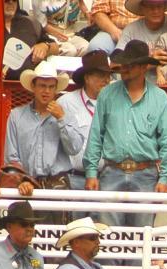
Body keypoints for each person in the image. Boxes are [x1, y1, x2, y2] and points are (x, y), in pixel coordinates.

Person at [83, 40, 167, 229]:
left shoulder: (160, 98)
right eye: (124, 64)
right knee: (109, 235)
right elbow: (96, 135)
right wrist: (91, 172)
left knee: (142, 237)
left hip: (145, 173)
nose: (124, 68)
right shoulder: (107, 94)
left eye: (130, 65)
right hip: (113, 171)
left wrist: (165, 177)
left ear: (143, 67)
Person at [5, 61, 80, 223]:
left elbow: (75, 148)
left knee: (59, 237)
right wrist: (23, 181)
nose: (46, 91)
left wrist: (62, 119)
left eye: (51, 87)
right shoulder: (16, 116)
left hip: (58, 183)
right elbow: (12, 157)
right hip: (27, 184)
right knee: (29, 234)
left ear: (55, 89)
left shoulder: (66, 114)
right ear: (34, 86)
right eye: (42, 85)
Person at [58, 50, 113, 207]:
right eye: (100, 75)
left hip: (107, 179)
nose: (106, 80)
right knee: (76, 228)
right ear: (87, 78)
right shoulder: (66, 103)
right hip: (75, 178)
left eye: (108, 75)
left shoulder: (116, 103)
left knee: (104, 228)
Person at [0, 0, 60, 81]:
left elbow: (55, 48)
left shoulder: (32, 23)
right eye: (6, 0)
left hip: (31, 88)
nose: (11, 2)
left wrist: (45, 46)